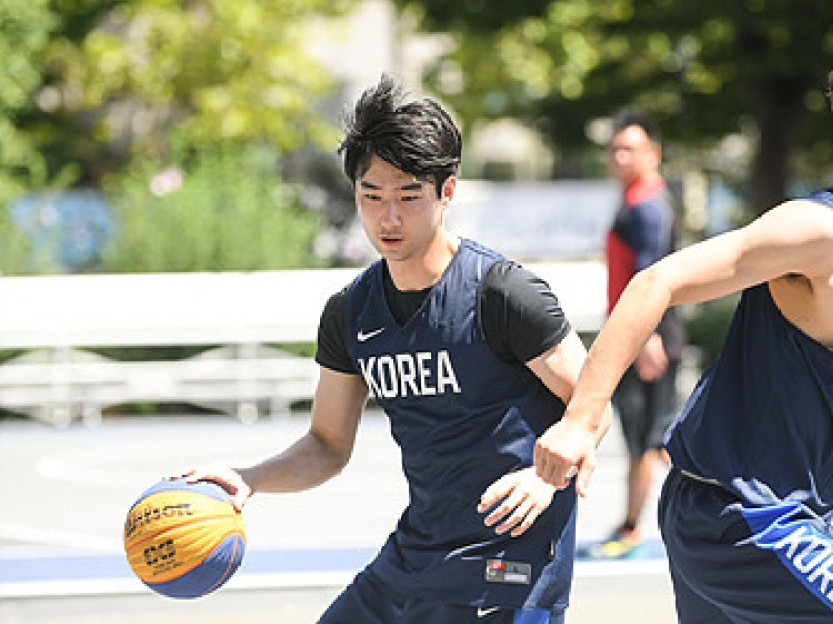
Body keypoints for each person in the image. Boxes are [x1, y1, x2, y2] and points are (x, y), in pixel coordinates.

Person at [535, 39, 833, 623]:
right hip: (735, 514)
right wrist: (581, 419)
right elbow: (655, 282)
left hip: (784, 518)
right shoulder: (818, 232)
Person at [178, 75, 609, 624]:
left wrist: (546, 473)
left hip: (506, 570)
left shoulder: (503, 294)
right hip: (414, 559)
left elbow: (594, 405)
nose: (389, 218)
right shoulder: (351, 312)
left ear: (446, 192)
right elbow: (327, 445)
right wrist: (251, 478)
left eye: (408, 196)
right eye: (371, 196)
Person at [583, 109, 686, 560]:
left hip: (647, 341)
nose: (620, 157)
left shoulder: (646, 205)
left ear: (653, 154)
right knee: (649, 441)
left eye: (631, 148)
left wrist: (646, 338)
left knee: (648, 442)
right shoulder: (637, 200)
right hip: (639, 338)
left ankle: (631, 527)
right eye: (615, 149)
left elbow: (650, 273)